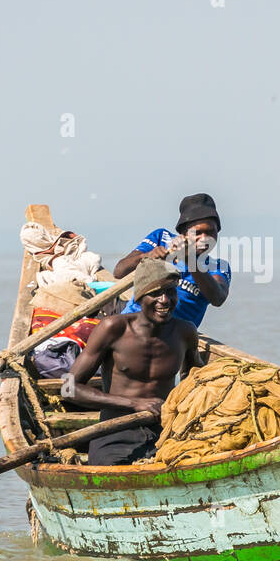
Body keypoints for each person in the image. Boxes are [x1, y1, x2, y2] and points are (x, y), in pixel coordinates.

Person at [65, 259, 204, 465]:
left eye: (170, 291)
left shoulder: (185, 332)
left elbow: (195, 379)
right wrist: (134, 404)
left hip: (164, 432)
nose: (165, 300)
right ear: (139, 297)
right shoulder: (113, 328)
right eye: (155, 293)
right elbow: (69, 388)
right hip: (114, 430)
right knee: (109, 473)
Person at [113, 193, 230, 328]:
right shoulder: (161, 238)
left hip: (173, 339)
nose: (204, 239)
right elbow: (119, 272)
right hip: (131, 325)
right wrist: (147, 257)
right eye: (197, 233)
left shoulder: (218, 267)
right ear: (183, 232)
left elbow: (217, 298)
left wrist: (189, 259)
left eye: (211, 232)